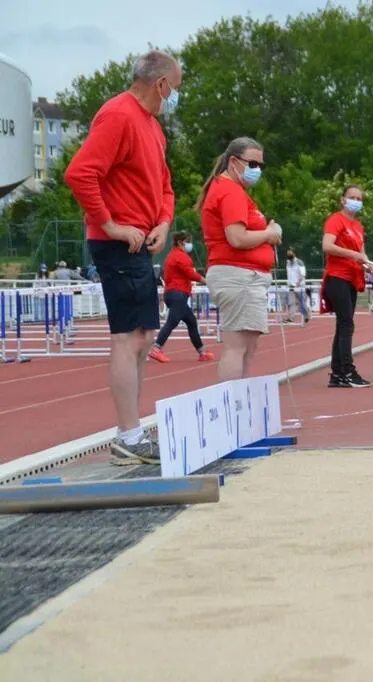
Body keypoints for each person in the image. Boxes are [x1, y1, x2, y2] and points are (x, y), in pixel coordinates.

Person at [64, 49, 181, 466]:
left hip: (142, 241)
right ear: (161, 84)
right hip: (118, 243)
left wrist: (163, 222)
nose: (175, 97)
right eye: (175, 88)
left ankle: (131, 433)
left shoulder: (153, 128)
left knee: (144, 338)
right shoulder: (118, 115)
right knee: (128, 338)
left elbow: (165, 185)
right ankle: (129, 435)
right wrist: (111, 225)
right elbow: (80, 173)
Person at [197, 136, 280, 380]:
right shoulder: (230, 191)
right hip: (238, 275)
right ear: (234, 161)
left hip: (243, 275)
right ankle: (233, 399)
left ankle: (239, 398)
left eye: (261, 165)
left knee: (246, 347)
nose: (258, 170)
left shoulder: (231, 190)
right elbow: (237, 238)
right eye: (252, 164)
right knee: (237, 347)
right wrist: (269, 234)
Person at [321, 185, 372, 387]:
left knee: (344, 325)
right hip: (337, 277)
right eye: (352, 197)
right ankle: (347, 371)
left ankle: (338, 373)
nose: (356, 201)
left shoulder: (358, 226)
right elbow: (327, 246)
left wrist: (367, 264)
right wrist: (353, 255)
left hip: (352, 278)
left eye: (359, 198)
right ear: (343, 199)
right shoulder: (335, 220)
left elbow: (361, 252)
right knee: (346, 324)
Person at [149, 232, 214, 363]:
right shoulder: (180, 256)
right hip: (178, 293)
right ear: (180, 242)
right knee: (172, 322)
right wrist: (205, 280)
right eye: (187, 241)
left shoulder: (171, 256)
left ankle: (202, 352)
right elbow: (190, 273)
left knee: (191, 322)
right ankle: (156, 348)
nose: (189, 244)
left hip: (174, 293)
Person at [285, 248, 310, 324]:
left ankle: (307, 315)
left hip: (299, 286)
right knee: (291, 302)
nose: (288, 255)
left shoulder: (299, 262)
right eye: (287, 254)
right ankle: (290, 318)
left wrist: (298, 283)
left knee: (302, 303)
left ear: (294, 253)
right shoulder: (288, 263)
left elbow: (303, 274)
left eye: (290, 253)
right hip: (291, 286)